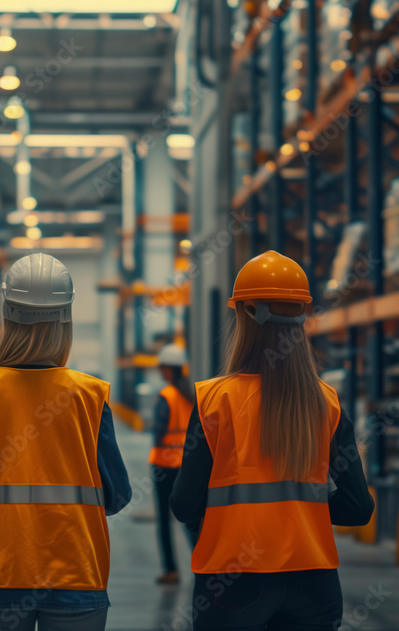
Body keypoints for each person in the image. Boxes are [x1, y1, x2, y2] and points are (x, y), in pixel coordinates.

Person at [171, 250, 375, 631]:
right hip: (313, 585)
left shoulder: (213, 401)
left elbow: (184, 505)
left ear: (244, 315)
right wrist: (306, 502)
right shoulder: (325, 402)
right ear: (301, 319)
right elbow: (357, 509)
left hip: (231, 584)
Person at [0, 252, 132, 631]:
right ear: (66, 319)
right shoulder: (90, 396)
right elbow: (118, 495)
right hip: (76, 574)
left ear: (7, 317)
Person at [148, 343, 196, 584]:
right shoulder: (192, 396)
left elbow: (158, 432)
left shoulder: (166, 396)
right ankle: (201, 566)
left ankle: (171, 570)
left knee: (164, 522)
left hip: (163, 466)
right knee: (189, 518)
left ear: (168, 369)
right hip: (185, 466)